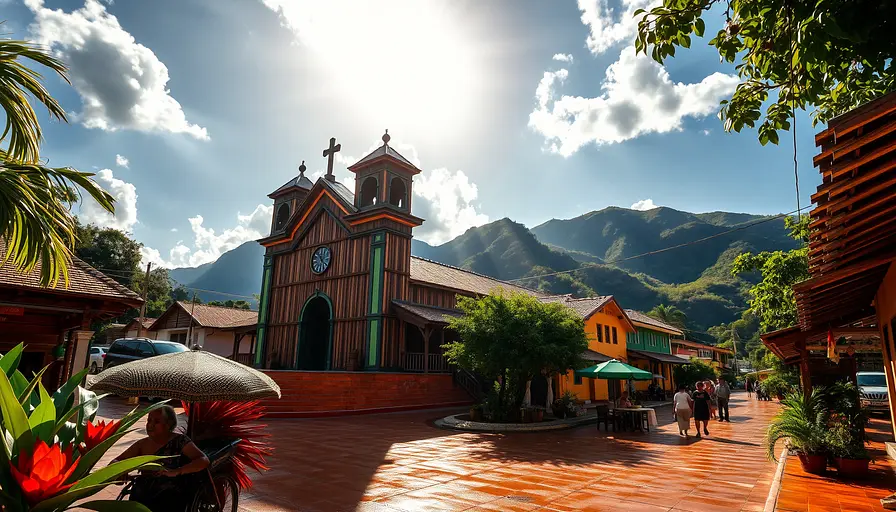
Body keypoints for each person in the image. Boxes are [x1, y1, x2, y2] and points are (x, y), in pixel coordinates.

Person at [114, 405, 210, 511]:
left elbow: (203, 460)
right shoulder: (141, 444)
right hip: (143, 492)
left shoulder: (180, 441)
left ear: (169, 424)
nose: (150, 425)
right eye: (149, 420)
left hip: (171, 493)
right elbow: (116, 461)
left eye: (156, 422)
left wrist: (176, 471)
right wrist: (120, 473)